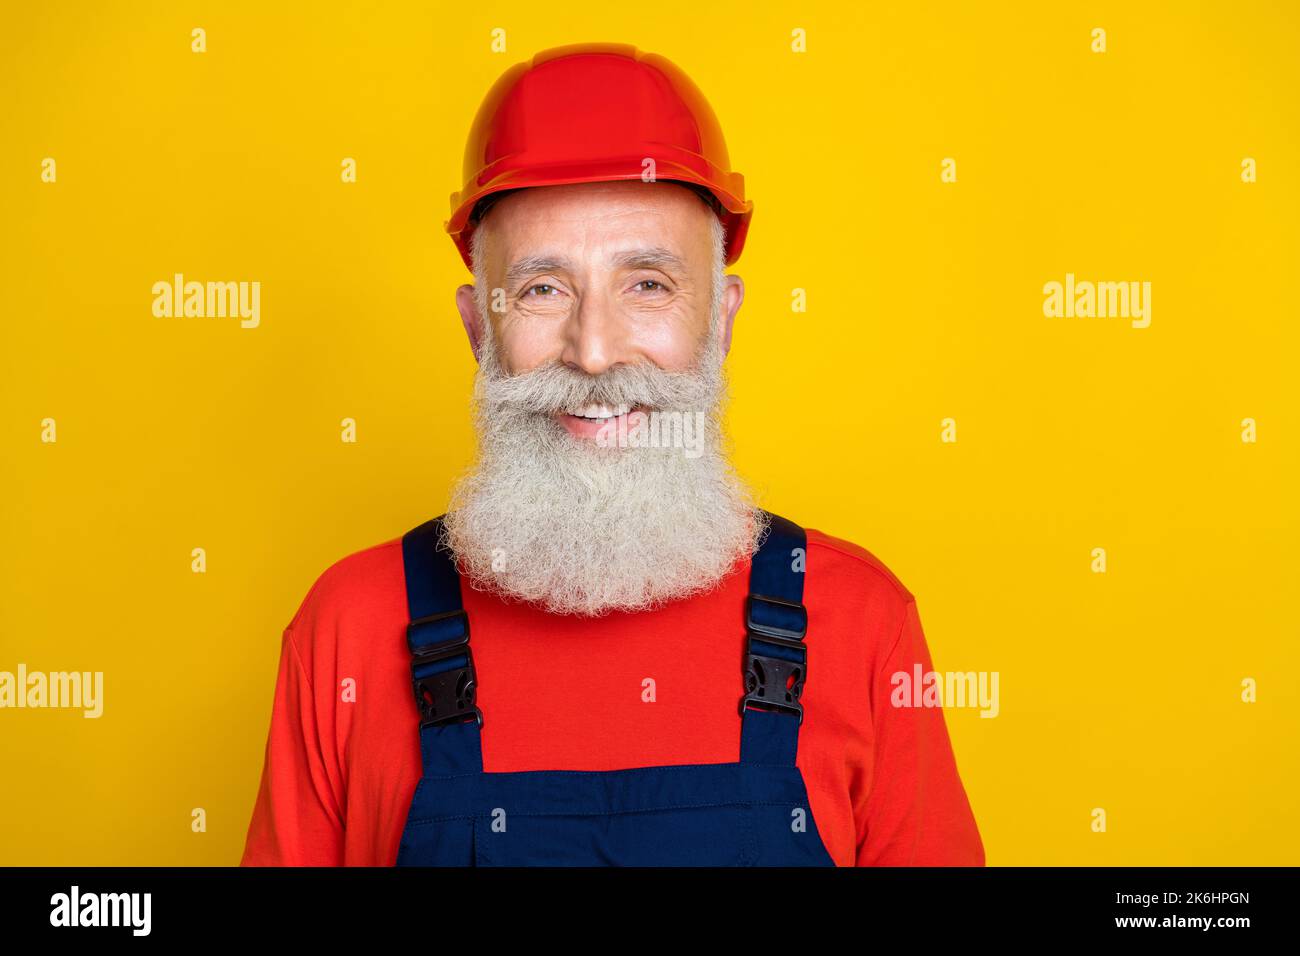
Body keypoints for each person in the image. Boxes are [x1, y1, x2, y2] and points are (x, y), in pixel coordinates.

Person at [240, 42, 984, 867]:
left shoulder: (862, 621)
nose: (593, 353)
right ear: (479, 329)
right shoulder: (347, 630)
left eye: (648, 284)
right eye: (542, 289)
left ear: (722, 321)